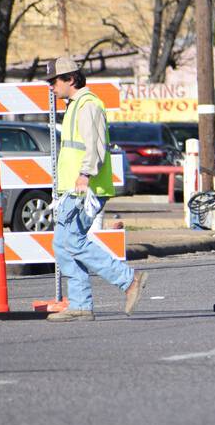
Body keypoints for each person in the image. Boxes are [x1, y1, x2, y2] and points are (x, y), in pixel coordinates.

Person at [46, 58, 148, 321]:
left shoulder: (88, 106)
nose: (51, 87)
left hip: (86, 187)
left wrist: (84, 175)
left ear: (70, 79)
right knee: (62, 243)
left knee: (71, 240)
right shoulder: (76, 106)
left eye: (54, 81)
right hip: (76, 187)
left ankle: (128, 280)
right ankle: (80, 304)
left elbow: (95, 146)